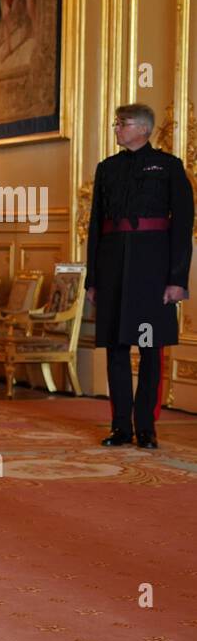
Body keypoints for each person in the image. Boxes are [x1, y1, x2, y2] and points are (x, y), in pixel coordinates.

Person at [87, 103, 193, 449]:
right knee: (116, 348)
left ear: (143, 129)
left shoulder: (168, 167)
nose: (116, 128)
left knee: (149, 349)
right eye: (116, 122)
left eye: (123, 123)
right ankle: (121, 427)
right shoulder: (106, 169)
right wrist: (93, 280)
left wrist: (177, 279)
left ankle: (146, 426)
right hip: (113, 268)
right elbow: (95, 228)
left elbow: (182, 228)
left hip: (152, 271)